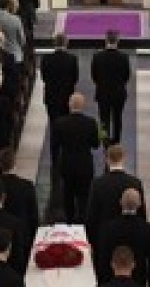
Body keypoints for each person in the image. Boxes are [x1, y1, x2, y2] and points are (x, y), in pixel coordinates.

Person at [52, 93, 102, 223]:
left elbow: (55, 146)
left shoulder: (60, 123)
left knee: (67, 194)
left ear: (69, 105)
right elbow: (96, 144)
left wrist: (56, 165)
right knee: (84, 196)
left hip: (67, 165)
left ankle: (69, 220)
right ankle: (82, 221)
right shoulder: (90, 123)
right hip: (85, 165)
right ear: (83, 105)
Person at [92, 30, 132, 144]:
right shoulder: (124, 57)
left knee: (103, 121)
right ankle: (117, 142)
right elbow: (126, 76)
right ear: (117, 41)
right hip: (118, 93)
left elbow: (94, 76)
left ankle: (105, 143)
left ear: (106, 40)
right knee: (117, 118)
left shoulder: (97, 57)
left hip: (102, 93)